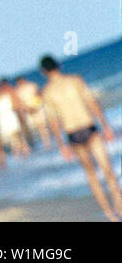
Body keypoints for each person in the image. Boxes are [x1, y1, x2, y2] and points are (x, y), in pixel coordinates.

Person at [39, 55, 122, 221]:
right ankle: (119, 207)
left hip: (73, 134)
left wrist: (61, 145)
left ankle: (109, 213)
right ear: (58, 65)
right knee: (108, 172)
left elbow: (53, 121)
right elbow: (92, 103)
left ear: (43, 72)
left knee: (91, 176)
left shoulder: (47, 92)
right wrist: (105, 125)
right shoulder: (75, 80)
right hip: (88, 127)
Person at [0, 78, 30, 158]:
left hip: (11, 116)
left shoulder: (6, 96)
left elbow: (15, 103)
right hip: (5, 119)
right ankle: (18, 150)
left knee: (17, 133)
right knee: (12, 136)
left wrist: (20, 110)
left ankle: (24, 148)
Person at [15, 75, 50, 148]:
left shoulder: (32, 85)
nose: (21, 82)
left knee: (44, 124)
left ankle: (48, 142)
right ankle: (43, 143)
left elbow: (39, 94)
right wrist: (27, 109)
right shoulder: (18, 91)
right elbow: (20, 102)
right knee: (37, 127)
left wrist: (36, 106)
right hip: (28, 111)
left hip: (38, 107)